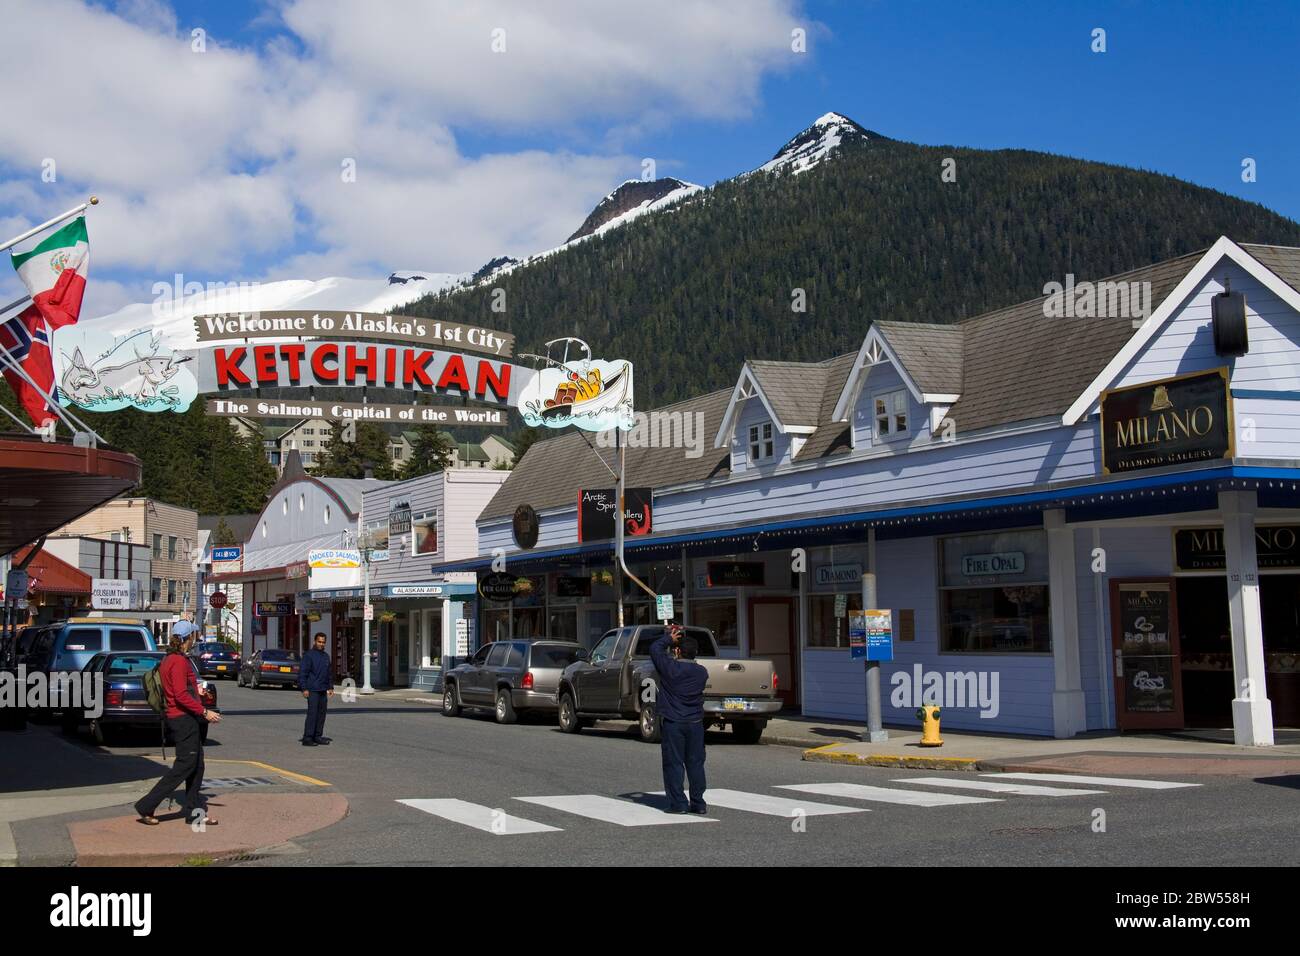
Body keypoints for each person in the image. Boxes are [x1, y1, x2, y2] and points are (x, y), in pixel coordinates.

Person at [134, 621, 222, 826]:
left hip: (182, 717)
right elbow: (180, 695)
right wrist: (204, 711)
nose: (195, 639)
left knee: (197, 766)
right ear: (188, 637)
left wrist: (198, 692)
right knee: (185, 766)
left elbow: (179, 688)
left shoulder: (171, 659)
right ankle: (147, 805)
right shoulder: (178, 661)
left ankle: (194, 812)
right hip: (183, 719)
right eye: (194, 635)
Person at [649, 623, 709, 814]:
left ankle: (679, 804)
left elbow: (654, 649)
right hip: (695, 723)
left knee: (674, 764)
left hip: (674, 722)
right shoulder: (702, 672)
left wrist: (669, 638)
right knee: (695, 764)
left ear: (677, 651)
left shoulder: (671, 668)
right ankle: (698, 803)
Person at [299, 632, 334, 746]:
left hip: (323, 689)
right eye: (319, 641)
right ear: (315, 641)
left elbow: (328, 673)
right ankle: (308, 737)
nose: (321, 644)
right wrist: (304, 688)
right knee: (312, 714)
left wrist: (330, 687)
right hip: (312, 689)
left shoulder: (326, 656)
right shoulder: (308, 655)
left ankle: (317, 736)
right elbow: (303, 673)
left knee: (321, 715)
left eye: (323, 642)